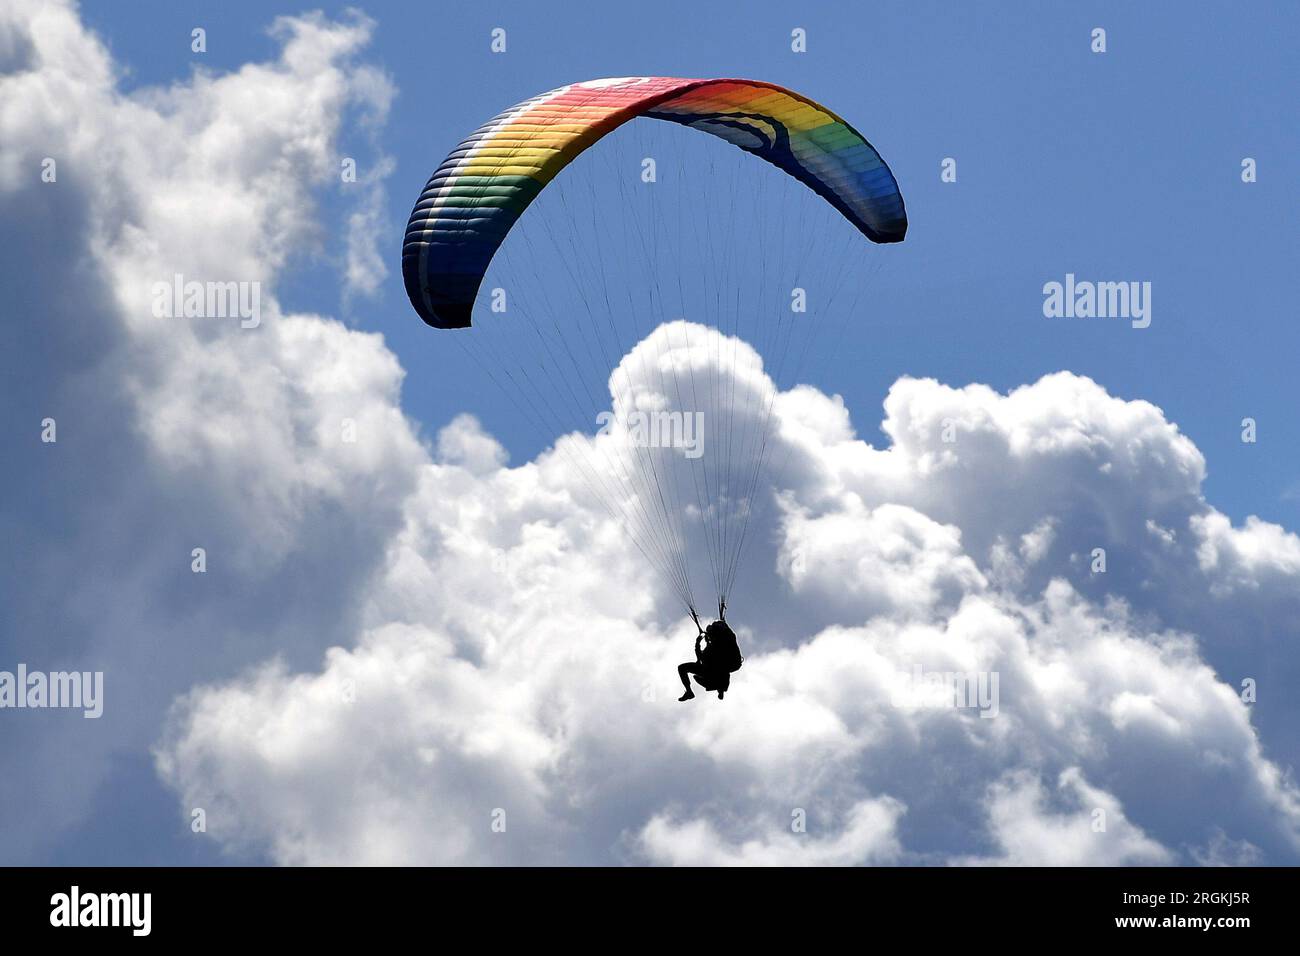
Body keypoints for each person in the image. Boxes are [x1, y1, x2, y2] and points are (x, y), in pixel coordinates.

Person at [678, 602, 743, 701]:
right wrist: (700, 643)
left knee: (684, 668)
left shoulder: (721, 644)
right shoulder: (722, 640)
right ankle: (717, 688)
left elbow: (702, 658)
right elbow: (701, 659)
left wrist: (699, 643)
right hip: (720, 668)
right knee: (683, 668)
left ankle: (718, 687)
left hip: (720, 667)